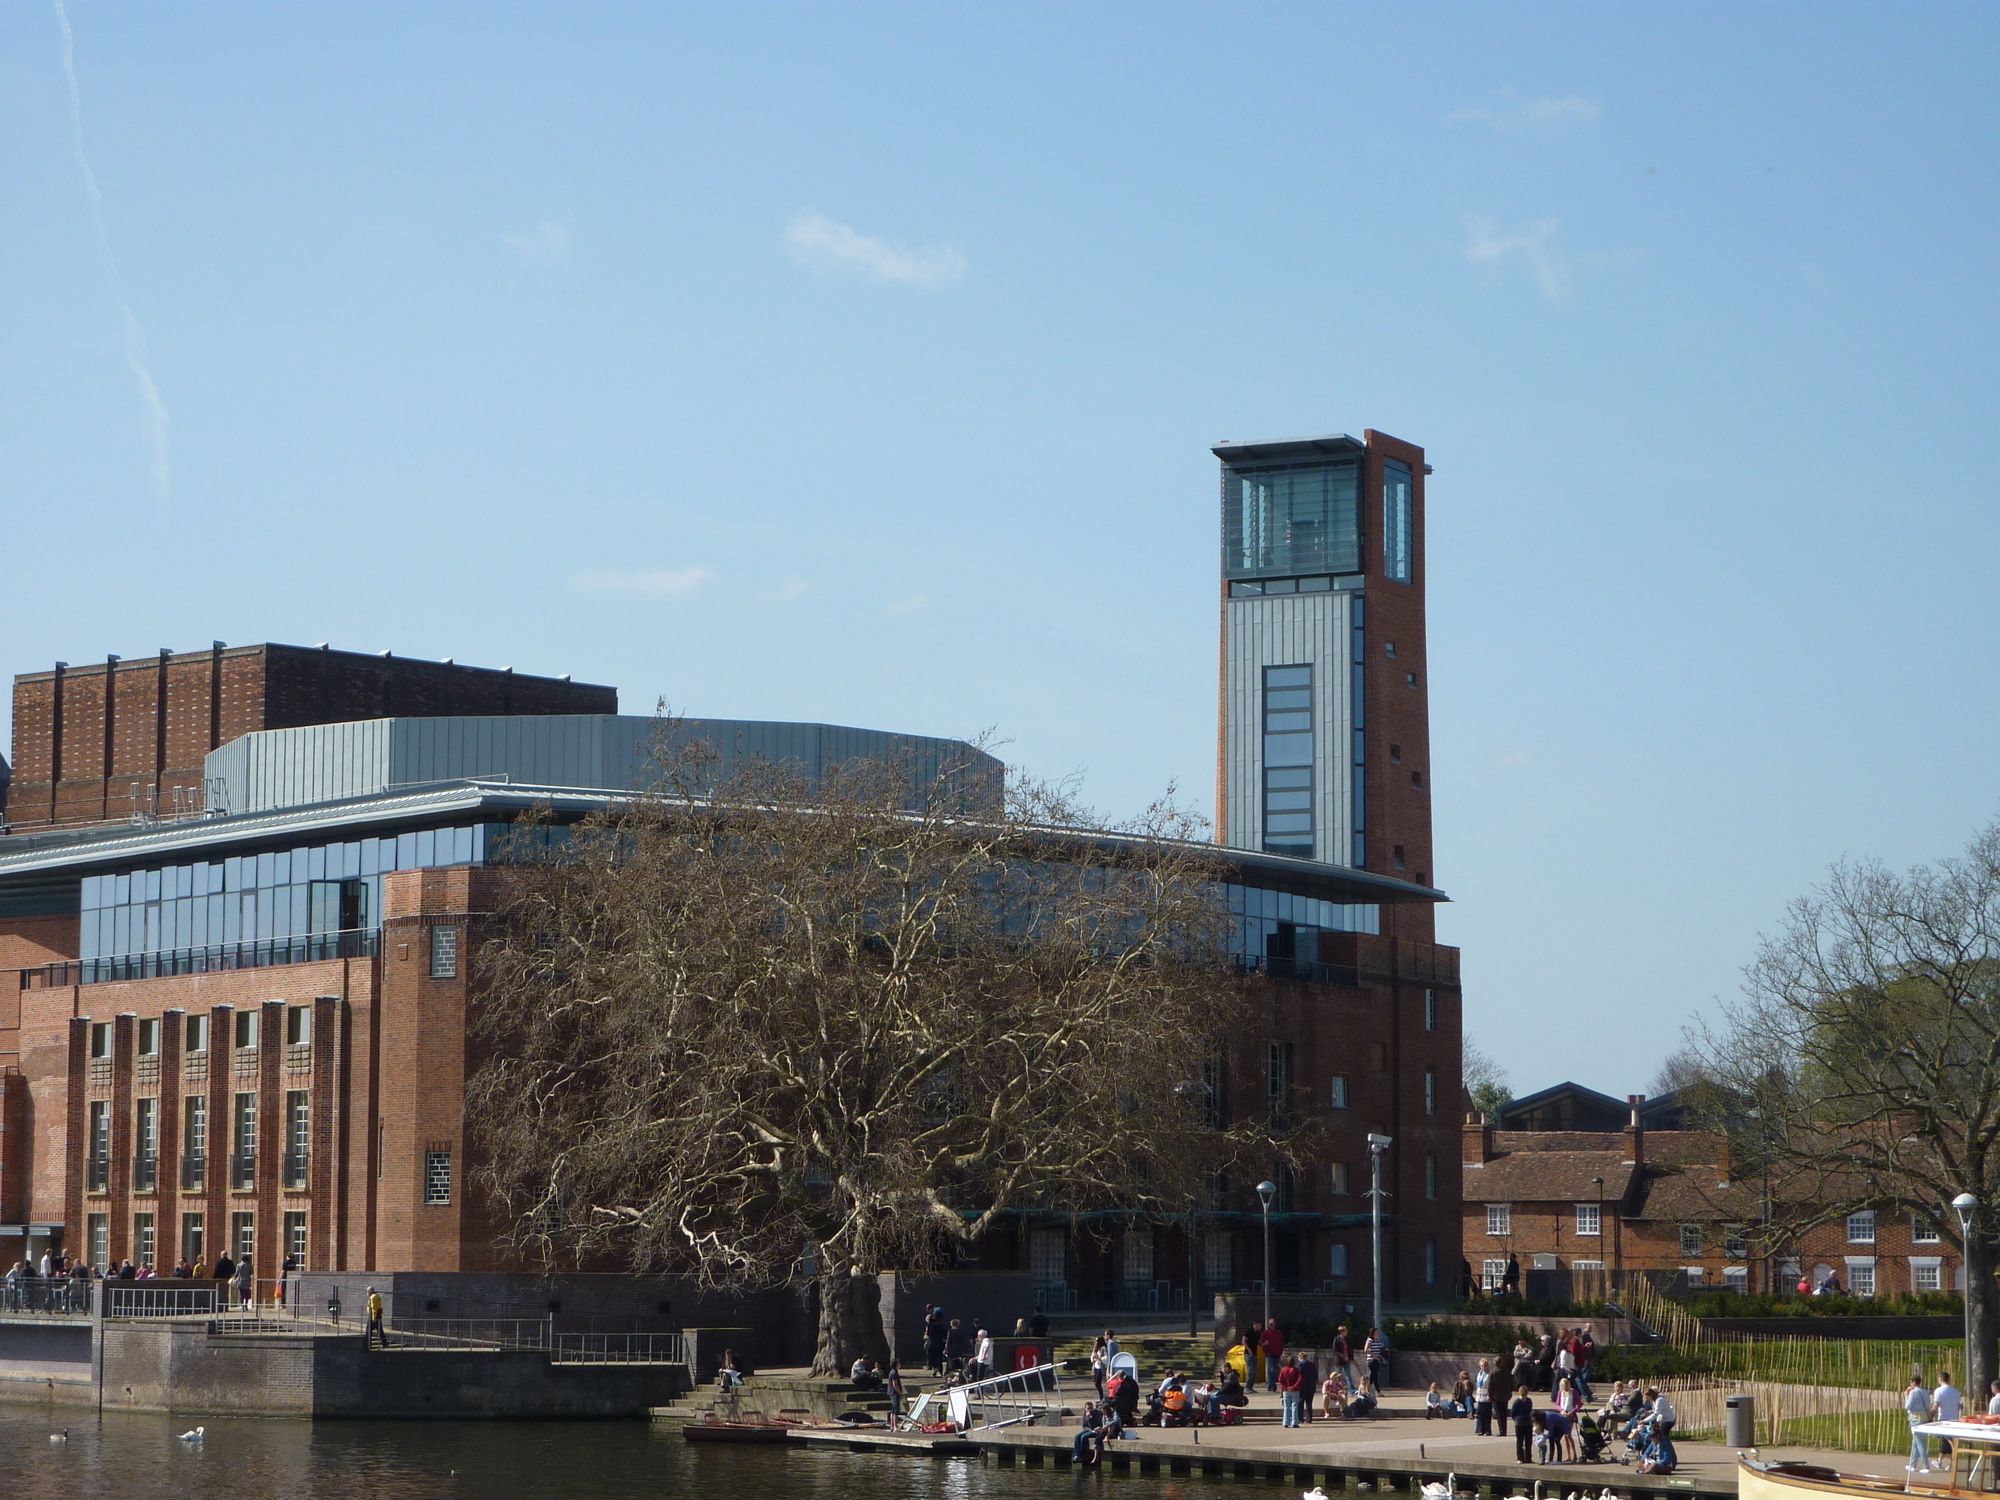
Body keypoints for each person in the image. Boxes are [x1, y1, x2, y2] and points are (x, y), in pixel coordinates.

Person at [1936, 1371, 1963, 1462]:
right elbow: (1959, 1406)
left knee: (1947, 1441)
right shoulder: (1956, 1392)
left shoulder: (1939, 1391)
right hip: (1954, 1418)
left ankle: (1948, 1461)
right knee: (1947, 1440)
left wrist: (1930, 1415)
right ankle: (1942, 1460)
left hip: (1944, 1418)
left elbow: (1936, 1405)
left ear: (1940, 1379)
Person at [1260, 1318, 1287, 1393]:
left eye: (1272, 1324)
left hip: (1277, 1353)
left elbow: (1282, 1343)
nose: (1271, 1325)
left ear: (1275, 1324)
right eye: (1270, 1324)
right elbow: (1260, 1343)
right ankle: (1272, 1385)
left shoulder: (1279, 1333)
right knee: (1271, 1369)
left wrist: (1282, 1351)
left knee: (1274, 1370)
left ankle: (1270, 1385)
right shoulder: (1265, 1333)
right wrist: (1264, 1345)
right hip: (1270, 1353)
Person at [1511, 1385, 1536, 1464]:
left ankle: (1526, 1458)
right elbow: (1513, 1414)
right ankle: (1522, 1458)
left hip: (1526, 1423)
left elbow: (1513, 1414)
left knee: (1527, 1442)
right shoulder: (1518, 1402)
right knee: (1521, 1442)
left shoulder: (1527, 1401)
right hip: (1521, 1423)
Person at [1278, 1353, 1304, 1428]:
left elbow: (1280, 1380)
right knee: (1295, 1406)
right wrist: (1293, 1387)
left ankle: (1285, 1422)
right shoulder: (1296, 1370)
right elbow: (1300, 1379)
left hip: (1286, 1390)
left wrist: (1286, 1387)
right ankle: (1294, 1422)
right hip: (1295, 1390)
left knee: (1286, 1406)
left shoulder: (1283, 1369)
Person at [1473, 1357, 1494, 1436]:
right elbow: (1478, 1384)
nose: (1483, 1367)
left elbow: (1491, 1386)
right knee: (1480, 1414)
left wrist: (1490, 1395)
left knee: (1487, 1414)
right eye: (1482, 1366)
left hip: (1487, 1397)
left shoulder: (1490, 1374)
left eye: (1485, 1365)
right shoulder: (1480, 1373)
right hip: (1480, 1396)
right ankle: (1481, 1430)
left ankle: (1488, 1430)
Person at [365, 1285, 389, 1350]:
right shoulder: (377, 1295)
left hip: (373, 1316)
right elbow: (380, 1306)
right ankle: (385, 1343)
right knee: (380, 1330)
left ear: (370, 1291)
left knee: (368, 1330)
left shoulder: (373, 1297)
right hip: (378, 1316)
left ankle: (368, 1345)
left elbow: (374, 1308)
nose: (367, 1293)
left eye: (367, 1291)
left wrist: (373, 1318)